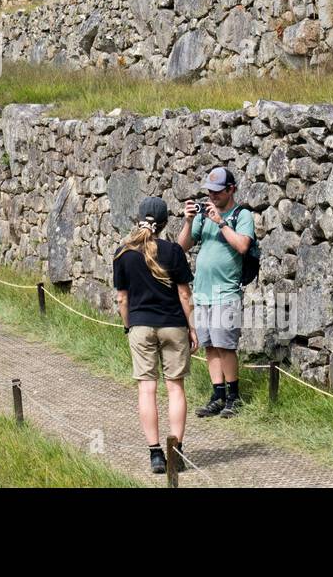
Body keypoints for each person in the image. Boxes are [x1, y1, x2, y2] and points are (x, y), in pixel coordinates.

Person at [114, 196, 197, 474]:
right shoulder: (173, 251)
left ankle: (155, 455)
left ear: (138, 217)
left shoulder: (123, 253)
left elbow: (122, 299)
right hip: (173, 324)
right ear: (164, 223)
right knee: (175, 388)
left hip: (140, 325)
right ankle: (177, 451)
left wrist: (128, 326)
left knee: (147, 389)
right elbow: (185, 294)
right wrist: (192, 328)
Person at [177, 166, 255, 419]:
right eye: (209, 192)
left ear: (231, 189)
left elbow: (243, 246)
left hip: (225, 292)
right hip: (202, 293)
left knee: (225, 345)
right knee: (210, 345)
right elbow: (182, 247)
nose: (212, 196)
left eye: (218, 192)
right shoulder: (203, 215)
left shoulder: (241, 215)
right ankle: (217, 394)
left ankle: (234, 396)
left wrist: (220, 222)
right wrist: (189, 221)